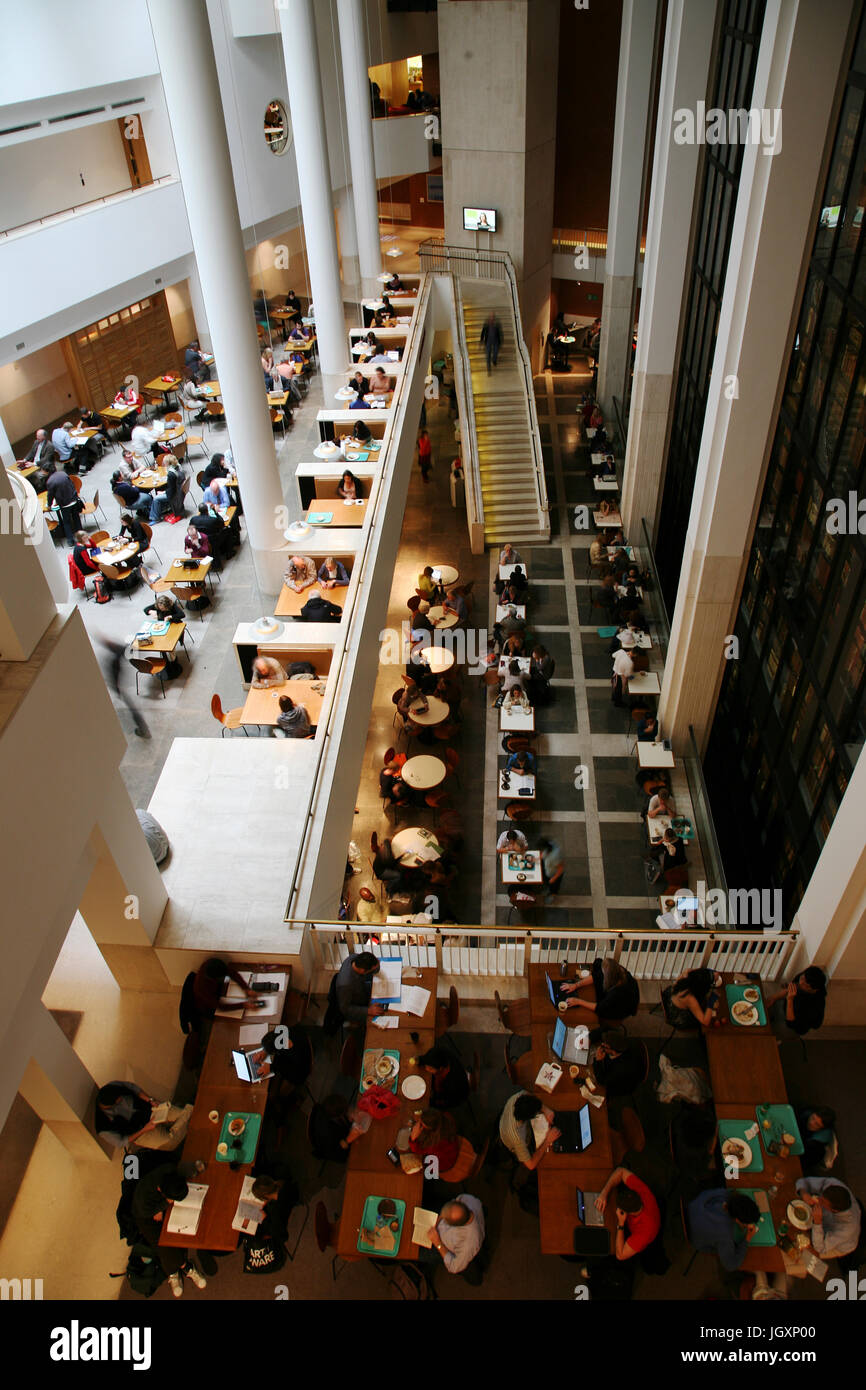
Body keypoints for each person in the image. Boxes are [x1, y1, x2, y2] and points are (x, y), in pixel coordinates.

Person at [131, 1164, 207, 1296]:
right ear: (161, 1190)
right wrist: (162, 1205)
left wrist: (163, 1206)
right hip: (145, 1215)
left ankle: (174, 1271)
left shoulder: (169, 1171)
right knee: (161, 1244)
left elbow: (188, 1168)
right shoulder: (143, 1201)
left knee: (181, 1228)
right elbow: (147, 1212)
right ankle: (185, 1267)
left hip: (158, 1206)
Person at [94, 1081, 192, 1152]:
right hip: (139, 1132)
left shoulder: (113, 1086)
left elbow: (134, 1088)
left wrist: (150, 1100)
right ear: (112, 1104)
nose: (122, 1099)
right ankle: (188, 1116)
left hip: (148, 1109)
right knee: (170, 1143)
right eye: (119, 1100)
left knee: (182, 1114)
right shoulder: (102, 1126)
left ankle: (186, 1120)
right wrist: (145, 1129)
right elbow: (121, 1142)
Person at [595, 1166, 661, 1261]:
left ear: (627, 1212)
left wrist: (621, 1224)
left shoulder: (645, 1231)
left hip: (635, 1237)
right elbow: (620, 1171)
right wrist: (604, 1193)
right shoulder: (641, 1192)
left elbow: (620, 1255)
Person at [687, 1188, 762, 1272]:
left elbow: (705, 1193)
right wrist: (747, 1238)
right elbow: (731, 1265)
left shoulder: (725, 1194)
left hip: (692, 1209)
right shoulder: (725, 1236)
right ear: (737, 1220)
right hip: (696, 1239)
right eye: (745, 1223)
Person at [795, 1178, 861, 1259]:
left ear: (834, 1210)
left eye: (822, 1202)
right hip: (823, 1222)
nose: (818, 1200)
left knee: (802, 1255)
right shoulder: (834, 1184)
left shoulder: (846, 1230)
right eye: (821, 1196)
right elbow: (803, 1182)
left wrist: (817, 1222)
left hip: (840, 1245)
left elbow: (820, 1248)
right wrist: (803, 1192)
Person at [561, 957, 640, 1021]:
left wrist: (578, 1001)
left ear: (608, 978)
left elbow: (600, 1007)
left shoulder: (617, 993)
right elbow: (596, 976)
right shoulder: (619, 971)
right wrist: (575, 985)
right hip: (614, 998)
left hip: (620, 1009)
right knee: (598, 962)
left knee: (596, 1010)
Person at [498, 1092, 560, 1169]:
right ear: (529, 1118)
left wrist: (545, 1109)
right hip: (512, 1140)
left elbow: (528, 1094)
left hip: (505, 1121)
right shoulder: (518, 1138)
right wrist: (547, 1141)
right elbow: (531, 1165)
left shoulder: (518, 1098)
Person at [428, 1196, 485, 1276]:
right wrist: (438, 1220)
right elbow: (454, 1201)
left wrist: (438, 1244)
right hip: (437, 1232)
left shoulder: (468, 1243)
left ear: (456, 1226)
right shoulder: (466, 1200)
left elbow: (454, 1267)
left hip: (441, 1246)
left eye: (446, 1220)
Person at [192, 957, 260, 1020]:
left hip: (219, 991)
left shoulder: (212, 965)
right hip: (209, 1007)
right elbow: (221, 1007)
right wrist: (244, 1005)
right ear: (214, 978)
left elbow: (232, 973)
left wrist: (246, 989)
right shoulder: (202, 988)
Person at [309, 1094, 371, 1162]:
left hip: (340, 1132)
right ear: (337, 1117)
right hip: (336, 1151)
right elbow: (337, 1155)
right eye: (344, 1113)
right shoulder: (327, 1133)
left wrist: (350, 1113)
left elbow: (343, 1110)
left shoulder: (328, 1107)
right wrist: (348, 1139)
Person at [767, 967, 827, 1037]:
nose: (800, 983)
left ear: (813, 990)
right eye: (802, 978)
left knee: (769, 1033)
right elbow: (790, 988)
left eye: (805, 985)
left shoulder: (814, 1006)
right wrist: (773, 998)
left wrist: (790, 1000)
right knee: (765, 1009)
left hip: (793, 1026)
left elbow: (791, 1023)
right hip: (785, 1007)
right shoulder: (803, 978)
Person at [248, 1026, 312, 1089]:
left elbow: (286, 1067)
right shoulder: (283, 1032)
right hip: (302, 1044)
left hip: (299, 1074)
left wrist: (271, 1067)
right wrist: (265, 1050)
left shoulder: (295, 1056)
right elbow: (274, 1039)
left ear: (279, 1051)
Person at [329, 951, 383, 1026]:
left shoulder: (354, 958)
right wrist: (368, 1011)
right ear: (363, 971)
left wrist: (376, 964)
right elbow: (345, 1009)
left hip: (362, 989)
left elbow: (374, 967)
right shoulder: (345, 985)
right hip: (357, 1006)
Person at [591, 1030, 646, 1098]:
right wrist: (589, 1039)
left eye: (604, 1046)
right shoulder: (619, 1039)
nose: (601, 1045)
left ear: (613, 1052)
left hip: (621, 1085)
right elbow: (605, 1028)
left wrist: (598, 1061)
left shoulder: (621, 1069)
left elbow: (602, 1081)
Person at [416, 1046, 470, 1111]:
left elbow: (448, 1101)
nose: (426, 1069)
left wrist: (430, 1102)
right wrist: (421, 1061)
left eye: (430, 1068)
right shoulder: (442, 1054)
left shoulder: (453, 1082)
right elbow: (430, 1056)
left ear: (441, 1068)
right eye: (426, 1066)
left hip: (452, 1098)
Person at [409, 1108, 460, 1173]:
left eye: (421, 1125)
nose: (419, 1124)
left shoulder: (434, 1144)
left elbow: (417, 1150)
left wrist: (413, 1138)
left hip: (442, 1164)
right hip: (450, 1148)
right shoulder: (444, 1118)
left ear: (430, 1130)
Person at [45, 466, 82, 542]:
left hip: (65, 504)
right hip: (73, 499)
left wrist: (49, 505)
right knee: (76, 518)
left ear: (47, 472)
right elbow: (71, 485)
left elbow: (50, 495)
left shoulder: (50, 481)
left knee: (66, 522)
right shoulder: (63, 474)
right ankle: (81, 537)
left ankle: (70, 541)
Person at [796, 1106, 837, 1171]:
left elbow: (801, 1162)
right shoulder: (807, 1113)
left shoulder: (817, 1148)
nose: (811, 1122)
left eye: (817, 1124)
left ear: (822, 1129)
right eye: (813, 1118)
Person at [611, 642, 634, 707]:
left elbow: (613, 655)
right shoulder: (630, 662)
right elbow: (628, 675)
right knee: (619, 690)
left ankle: (613, 697)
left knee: (614, 686)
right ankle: (618, 703)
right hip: (620, 677)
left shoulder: (621, 651)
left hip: (614, 671)